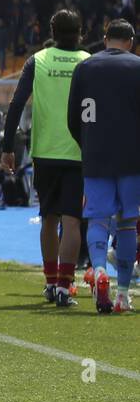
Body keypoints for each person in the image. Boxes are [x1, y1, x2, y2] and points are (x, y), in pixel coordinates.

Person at [1, 10, 89, 307]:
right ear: (80, 32)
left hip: (45, 152)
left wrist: (8, 145)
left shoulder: (37, 60)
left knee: (49, 219)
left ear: (51, 30)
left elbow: (16, 104)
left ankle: (51, 283)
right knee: (73, 221)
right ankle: (65, 286)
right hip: (78, 152)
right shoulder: (87, 62)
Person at [66, 19, 140, 313]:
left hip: (96, 155)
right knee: (125, 223)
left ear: (105, 38)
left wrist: (88, 144)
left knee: (97, 219)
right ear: (131, 41)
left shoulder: (85, 67)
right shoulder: (137, 66)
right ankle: (122, 292)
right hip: (132, 158)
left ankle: (98, 271)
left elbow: (73, 117)